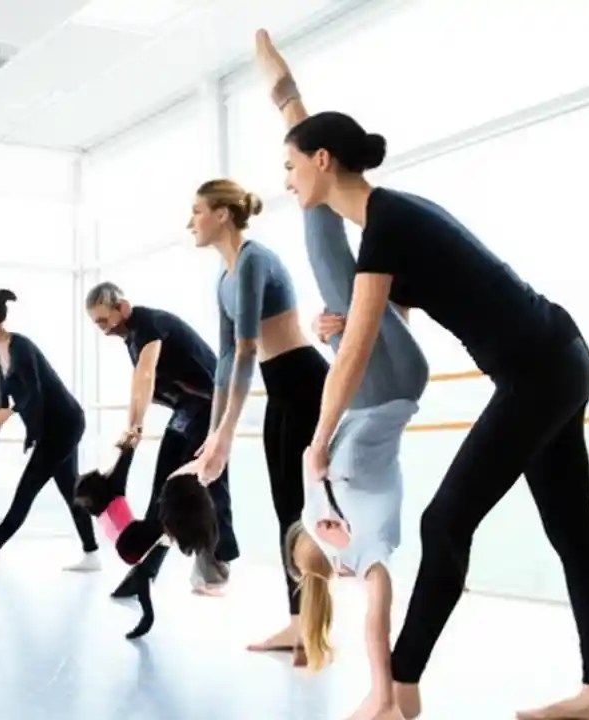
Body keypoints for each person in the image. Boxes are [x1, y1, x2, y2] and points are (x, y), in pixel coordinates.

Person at [277, 52, 589, 720]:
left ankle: (399, 689)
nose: (286, 181)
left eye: (289, 166)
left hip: (539, 370)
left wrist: (318, 442)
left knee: (446, 521)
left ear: (321, 160)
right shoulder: (393, 221)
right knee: (572, 529)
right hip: (554, 357)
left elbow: (360, 352)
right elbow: (385, 318)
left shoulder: (387, 223)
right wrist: (341, 324)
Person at [253, 30, 429, 720]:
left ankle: (292, 105)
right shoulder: (362, 549)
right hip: (386, 387)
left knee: (325, 253)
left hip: (375, 384)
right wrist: (382, 690)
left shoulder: (320, 515)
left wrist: (339, 334)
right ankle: (291, 105)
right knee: (322, 241)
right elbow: (377, 611)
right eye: (308, 554)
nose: (310, 542)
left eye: (304, 546)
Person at [184, 174, 327, 664]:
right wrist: (212, 433)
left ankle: (316, 627)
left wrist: (226, 434)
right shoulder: (223, 277)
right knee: (285, 507)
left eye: (198, 211)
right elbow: (226, 358)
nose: (191, 223)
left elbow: (247, 349)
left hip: (306, 382)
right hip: (279, 389)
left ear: (223, 214)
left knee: (306, 508)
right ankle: (298, 623)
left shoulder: (252, 261)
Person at [85, 284, 239, 597]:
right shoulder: (132, 337)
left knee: (204, 483)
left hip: (211, 405)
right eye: (96, 324)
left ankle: (216, 570)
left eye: (103, 321)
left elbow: (145, 375)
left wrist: (134, 427)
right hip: (187, 408)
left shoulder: (148, 324)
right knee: (164, 488)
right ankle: (147, 569)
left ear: (122, 308)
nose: (102, 330)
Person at [0, 288, 100, 570]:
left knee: (26, 489)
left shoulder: (21, 347)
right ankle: (92, 553)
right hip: (53, 428)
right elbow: (3, 400)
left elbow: (33, 393)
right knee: (69, 489)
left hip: (64, 424)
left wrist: (14, 415)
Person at [75, 444, 210, 640]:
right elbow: (122, 469)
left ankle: (147, 616)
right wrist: (128, 448)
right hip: (133, 539)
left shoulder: (99, 508)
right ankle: (188, 536)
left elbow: (118, 470)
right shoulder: (113, 494)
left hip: (128, 549)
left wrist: (126, 449)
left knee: (144, 574)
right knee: (167, 516)